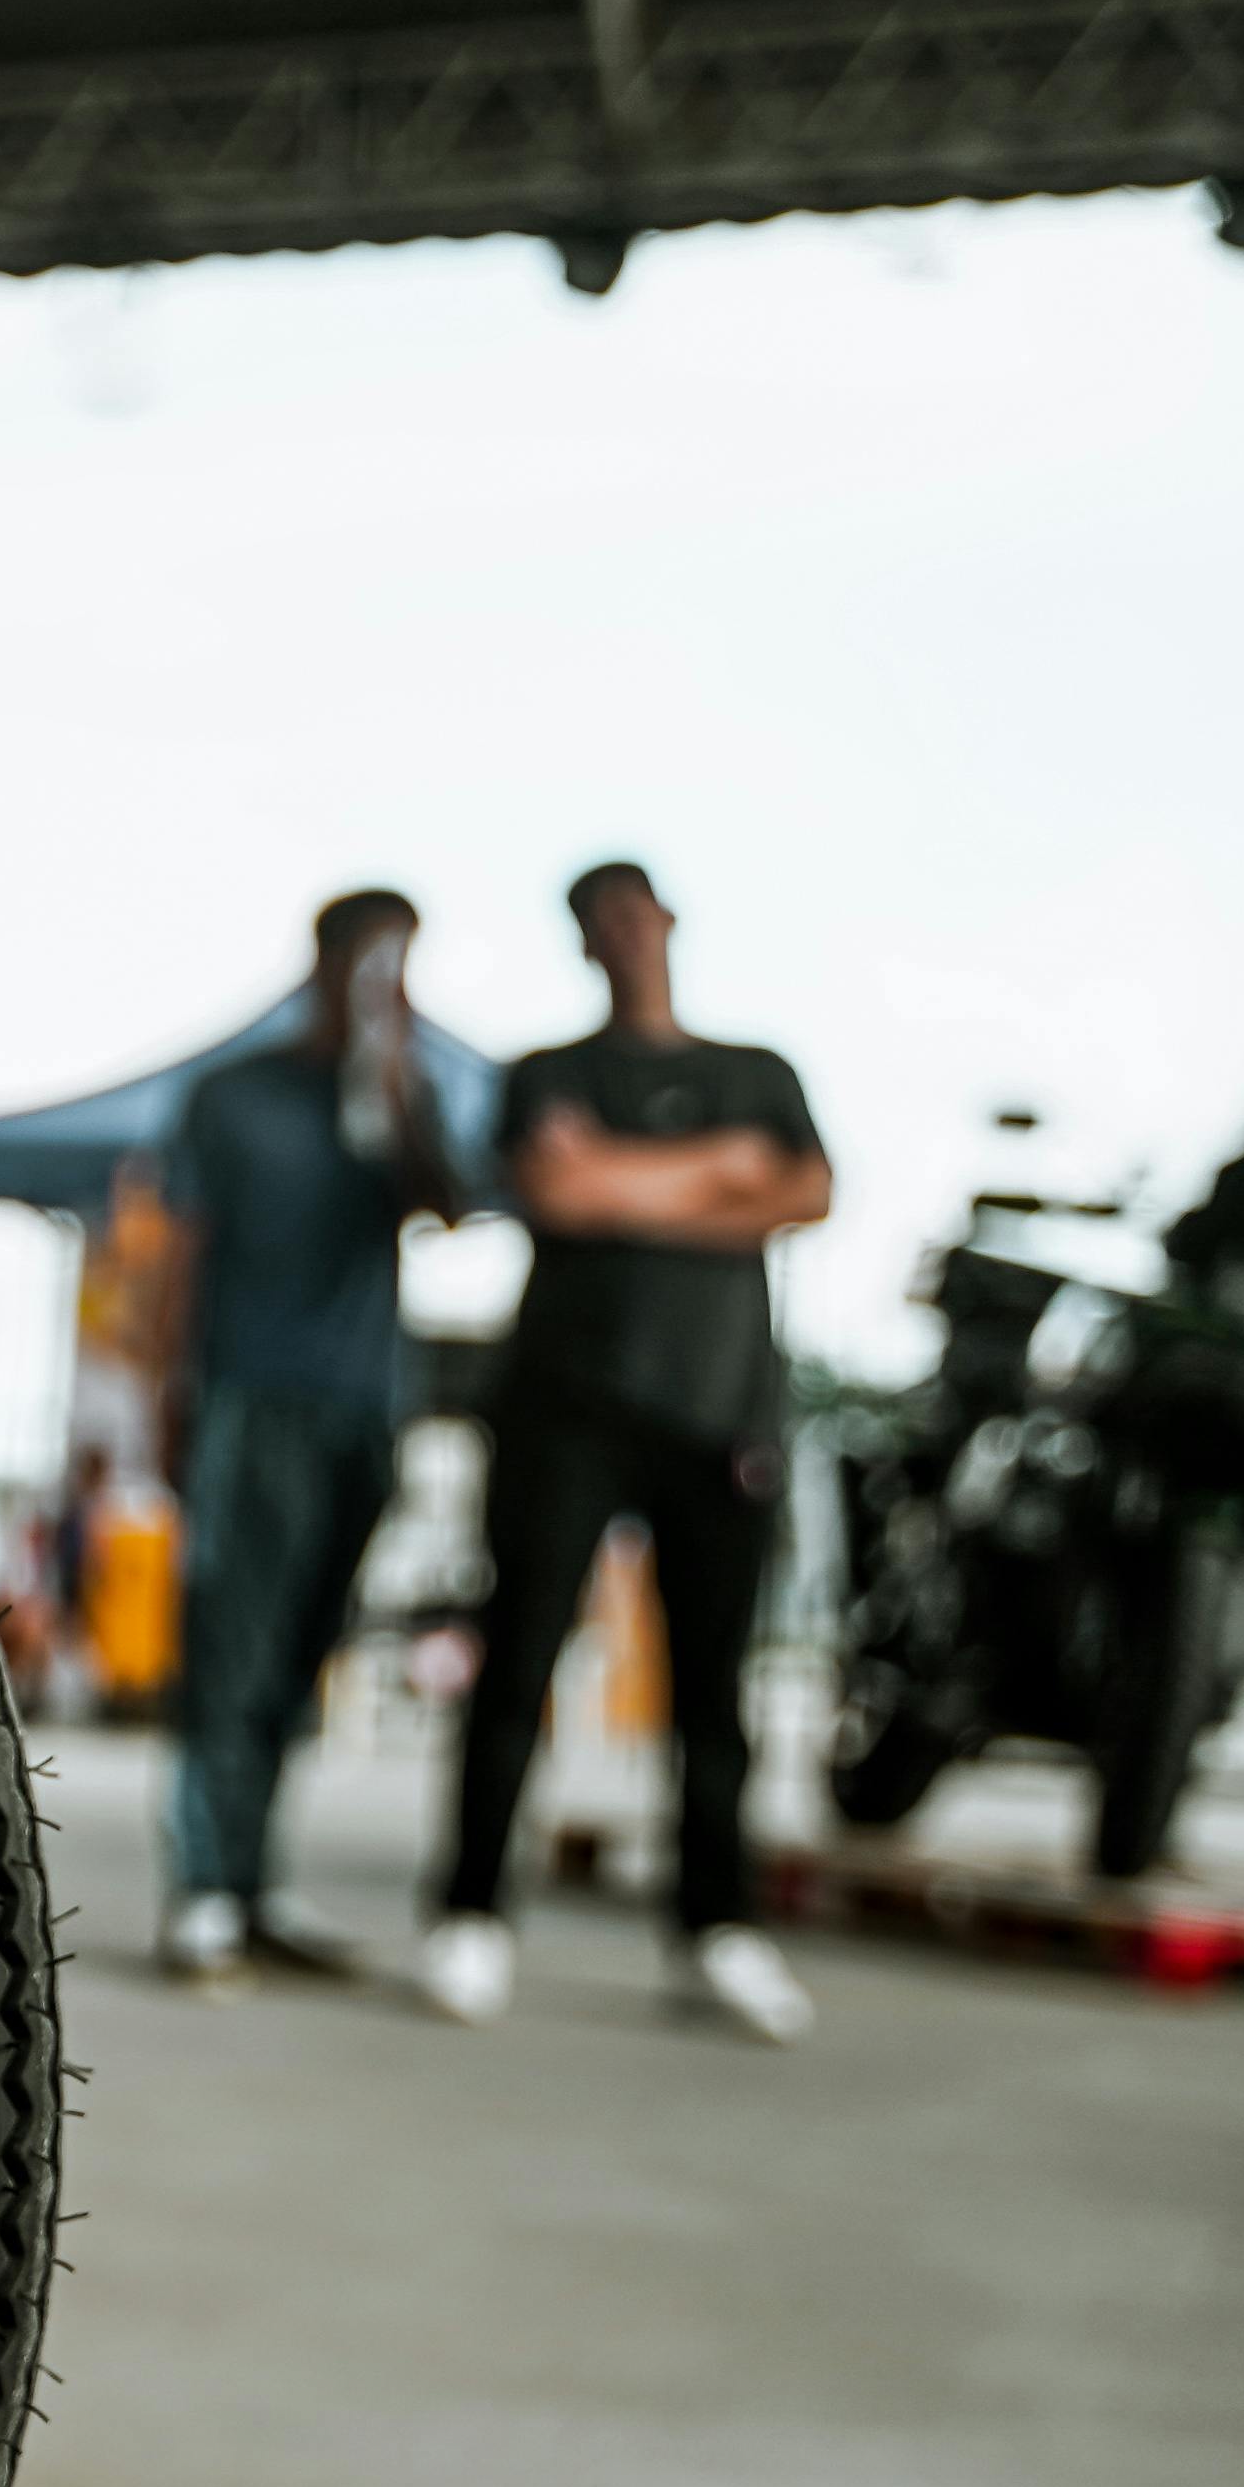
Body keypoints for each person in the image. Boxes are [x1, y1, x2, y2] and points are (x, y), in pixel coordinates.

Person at [424, 861, 832, 2041]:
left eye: (635, 912)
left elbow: (805, 1192)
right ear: (582, 943)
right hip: (566, 1409)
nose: (624, 933)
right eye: (599, 919)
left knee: (714, 1687)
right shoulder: (546, 1073)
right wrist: (719, 1172)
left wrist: (622, 1178)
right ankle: (470, 1911)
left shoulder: (759, 1072)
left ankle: (718, 1928)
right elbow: (556, 1195)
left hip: (720, 1415)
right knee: (519, 1659)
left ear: (667, 921)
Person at [155, 885, 469, 1985]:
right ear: (326, 961)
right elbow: (182, 1249)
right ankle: (204, 1888)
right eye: (373, 959)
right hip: (252, 1393)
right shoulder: (232, 1095)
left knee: (304, 1648)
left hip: (365, 1405)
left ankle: (255, 1880)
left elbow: (448, 1205)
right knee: (232, 1643)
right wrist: (170, 1401)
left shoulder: (402, 1097)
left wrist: (396, 1087)